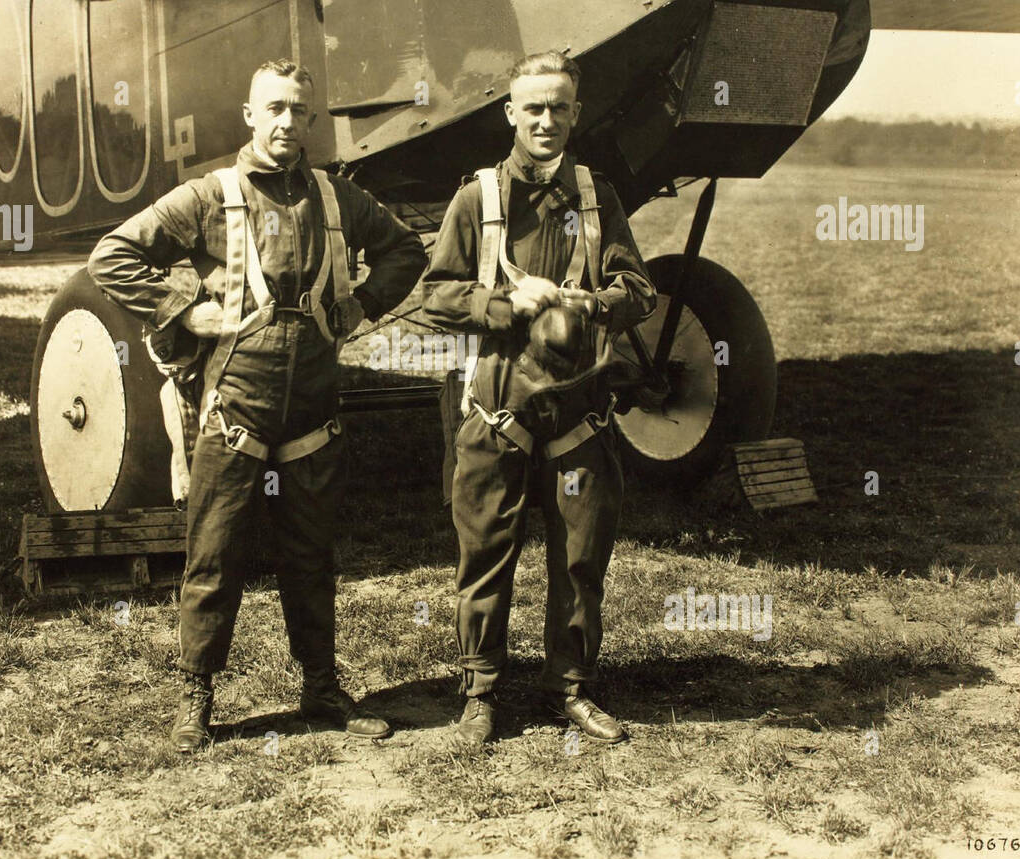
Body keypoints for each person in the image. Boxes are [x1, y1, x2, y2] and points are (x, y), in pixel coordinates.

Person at [88, 59, 427, 752]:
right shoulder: (210, 196)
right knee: (214, 554)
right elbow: (113, 256)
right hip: (234, 406)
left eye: (297, 110)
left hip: (313, 410)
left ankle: (321, 689)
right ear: (249, 115)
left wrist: (362, 303)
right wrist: (186, 309)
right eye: (271, 108)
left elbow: (405, 250)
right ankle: (196, 694)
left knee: (312, 554)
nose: (284, 122)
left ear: (310, 120)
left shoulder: (337, 199)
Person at [421, 51, 657, 746]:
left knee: (581, 558)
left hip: (577, 413)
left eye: (559, 107)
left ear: (575, 113)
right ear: (510, 113)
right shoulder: (479, 199)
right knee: (485, 555)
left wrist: (598, 305)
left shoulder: (595, 195)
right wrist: (505, 300)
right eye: (533, 108)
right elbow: (436, 295)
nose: (546, 121)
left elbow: (638, 287)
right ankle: (481, 695)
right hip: (496, 410)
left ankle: (575, 691)